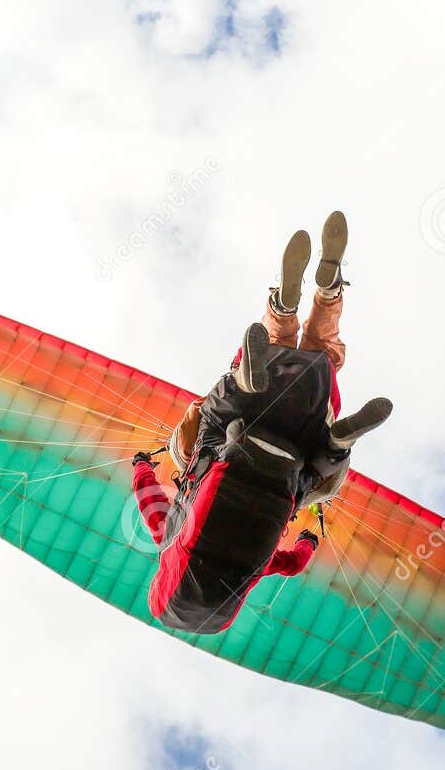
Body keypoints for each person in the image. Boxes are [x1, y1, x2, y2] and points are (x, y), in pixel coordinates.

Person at [131, 212, 392, 634]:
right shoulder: (169, 540)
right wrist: (143, 464)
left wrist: (308, 539)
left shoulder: (254, 568)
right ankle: (277, 318)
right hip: (230, 441)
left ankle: (337, 443)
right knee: (203, 425)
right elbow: (150, 501)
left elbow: (291, 565)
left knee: (320, 466)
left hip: (289, 463)